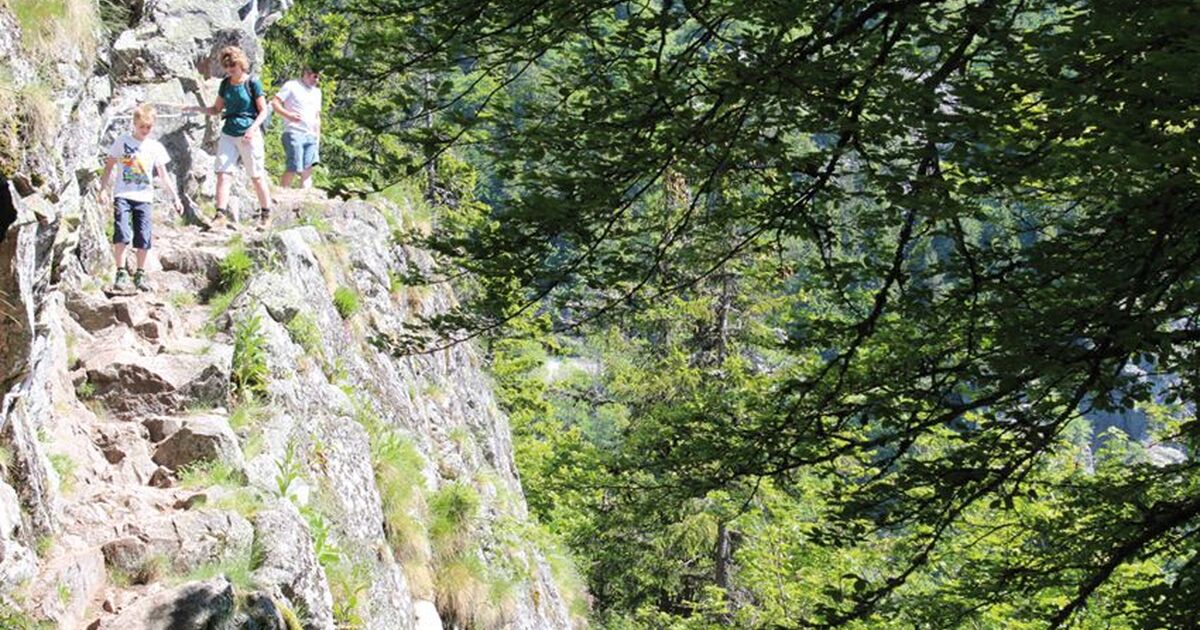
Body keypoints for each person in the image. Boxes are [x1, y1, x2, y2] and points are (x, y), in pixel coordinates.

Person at [183, 46, 273, 223]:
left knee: (256, 175)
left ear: (241, 64)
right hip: (229, 133)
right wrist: (196, 108)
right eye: (227, 66)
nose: (230, 69)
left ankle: (266, 213)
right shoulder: (225, 84)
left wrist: (252, 129)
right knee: (223, 173)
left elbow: (263, 111)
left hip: (249, 133)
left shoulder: (252, 83)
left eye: (233, 65)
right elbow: (216, 109)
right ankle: (220, 214)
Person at [99, 103, 183, 293]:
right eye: (141, 126)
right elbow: (109, 166)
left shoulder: (155, 147)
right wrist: (103, 189)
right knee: (121, 231)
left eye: (149, 127)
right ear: (134, 124)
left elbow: (164, 175)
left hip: (144, 197)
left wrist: (175, 198)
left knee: (143, 236)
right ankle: (120, 272)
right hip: (123, 194)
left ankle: (140, 273)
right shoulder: (122, 141)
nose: (145, 130)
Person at [272, 68, 322, 189]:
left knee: (308, 168)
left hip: (311, 134)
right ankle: (283, 191)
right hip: (294, 131)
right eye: (315, 76)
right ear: (306, 73)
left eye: (319, 77)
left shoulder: (317, 92)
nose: (317, 80)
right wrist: (288, 115)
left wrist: (318, 138)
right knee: (293, 166)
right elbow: (275, 103)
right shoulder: (292, 86)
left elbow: (317, 116)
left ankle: (306, 196)